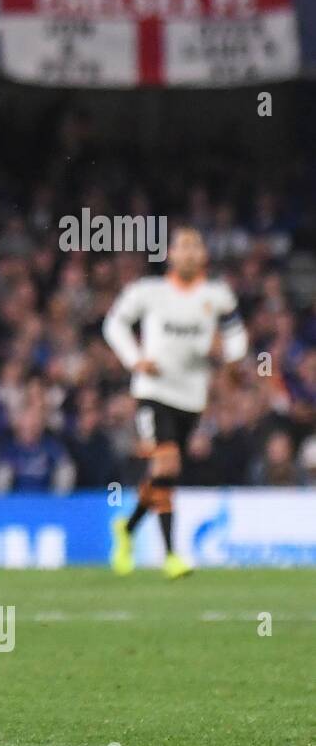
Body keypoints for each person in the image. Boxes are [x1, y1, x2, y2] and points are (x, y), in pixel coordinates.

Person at [103, 227, 247, 578]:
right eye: (182, 246)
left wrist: (230, 358)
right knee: (167, 464)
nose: (189, 252)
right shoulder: (149, 292)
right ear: (170, 254)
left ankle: (128, 527)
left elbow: (236, 336)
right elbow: (114, 323)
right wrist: (134, 358)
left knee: (165, 472)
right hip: (153, 392)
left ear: (204, 256)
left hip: (192, 397)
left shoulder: (218, 296)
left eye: (195, 246)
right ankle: (170, 555)